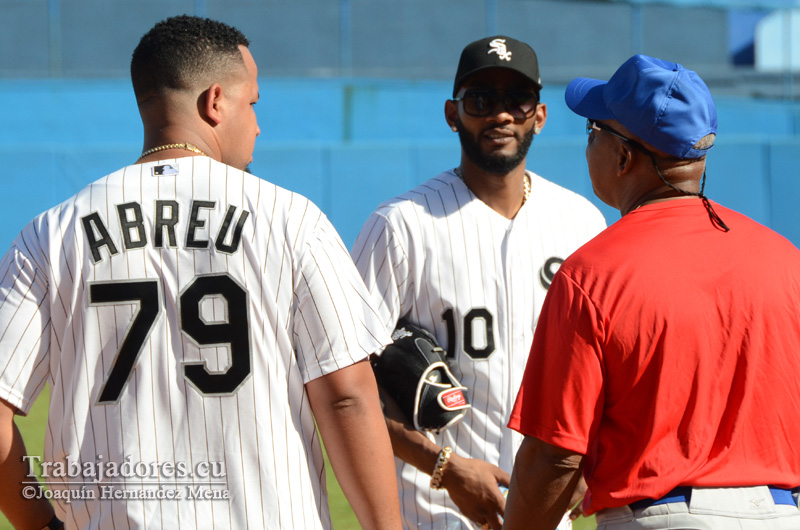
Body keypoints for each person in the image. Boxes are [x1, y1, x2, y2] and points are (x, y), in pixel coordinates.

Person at [0, 15, 402, 530]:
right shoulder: (291, 219)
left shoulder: (50, 234)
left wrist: (41, 526)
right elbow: (346, 395)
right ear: (215, 102)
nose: (256, 124)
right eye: (251, 103)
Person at [504, 54, 800, 530]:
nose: (589, 143)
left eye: (593, 129)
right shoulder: (786, 260)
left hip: (663, 515)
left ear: (624, 156)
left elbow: (554, 455)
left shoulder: (592, 273)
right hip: (783, 513)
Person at [351, 36, 606, 530]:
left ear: (540, 115)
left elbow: (603, 370)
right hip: (433, 512)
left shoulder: (580, 222)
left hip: (546, 516)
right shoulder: (400, 226)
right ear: (453, 114)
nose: (501, 115)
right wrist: (442, 467)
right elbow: (347, 384)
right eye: (481, 101)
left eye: (517, 101)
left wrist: (591, 460)